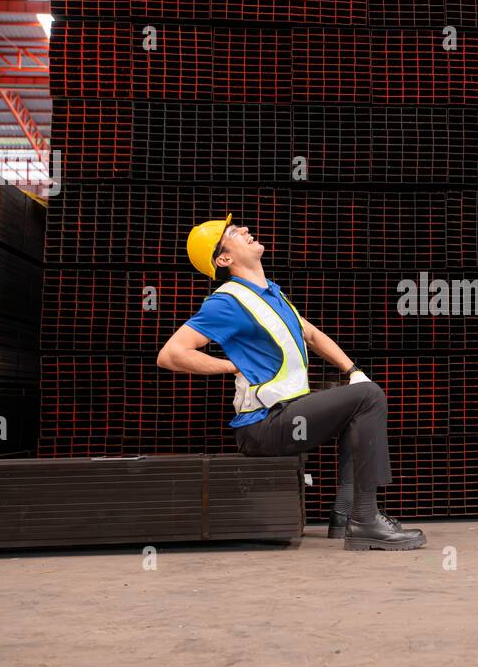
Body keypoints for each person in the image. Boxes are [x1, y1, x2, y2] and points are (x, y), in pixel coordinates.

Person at [157, 215, 426, 551]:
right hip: (265, 427)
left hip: (289, 416)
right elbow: (170, 354)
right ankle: (366, 520)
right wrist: (231, 366)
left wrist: (353, 370)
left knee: (357, 398)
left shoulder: (272, 295)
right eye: (231, 233)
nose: (243, 229)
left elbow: (311, 334)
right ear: (224, 259)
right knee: (367, 398)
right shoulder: (227, 301)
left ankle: (345, 518)